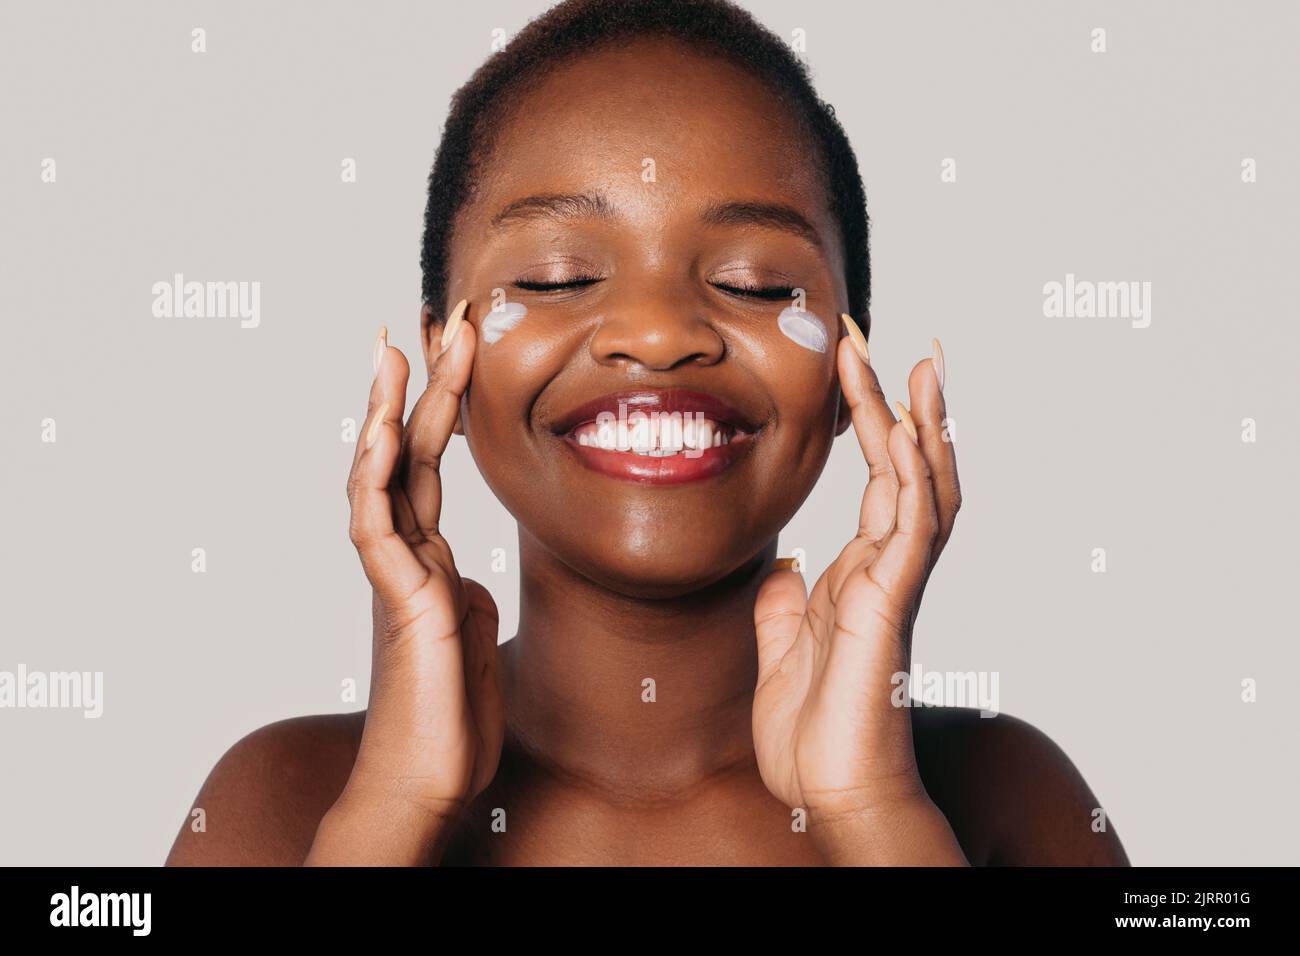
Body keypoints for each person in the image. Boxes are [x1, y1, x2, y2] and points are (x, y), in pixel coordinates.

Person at [167, 0, 1129, 866]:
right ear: (444, 360)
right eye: (555, 278)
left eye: (753, 282)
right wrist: (394, 809)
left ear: (850, 368)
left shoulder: (1009, 796)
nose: (659, 336)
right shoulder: (283, 803)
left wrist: (871, 808)